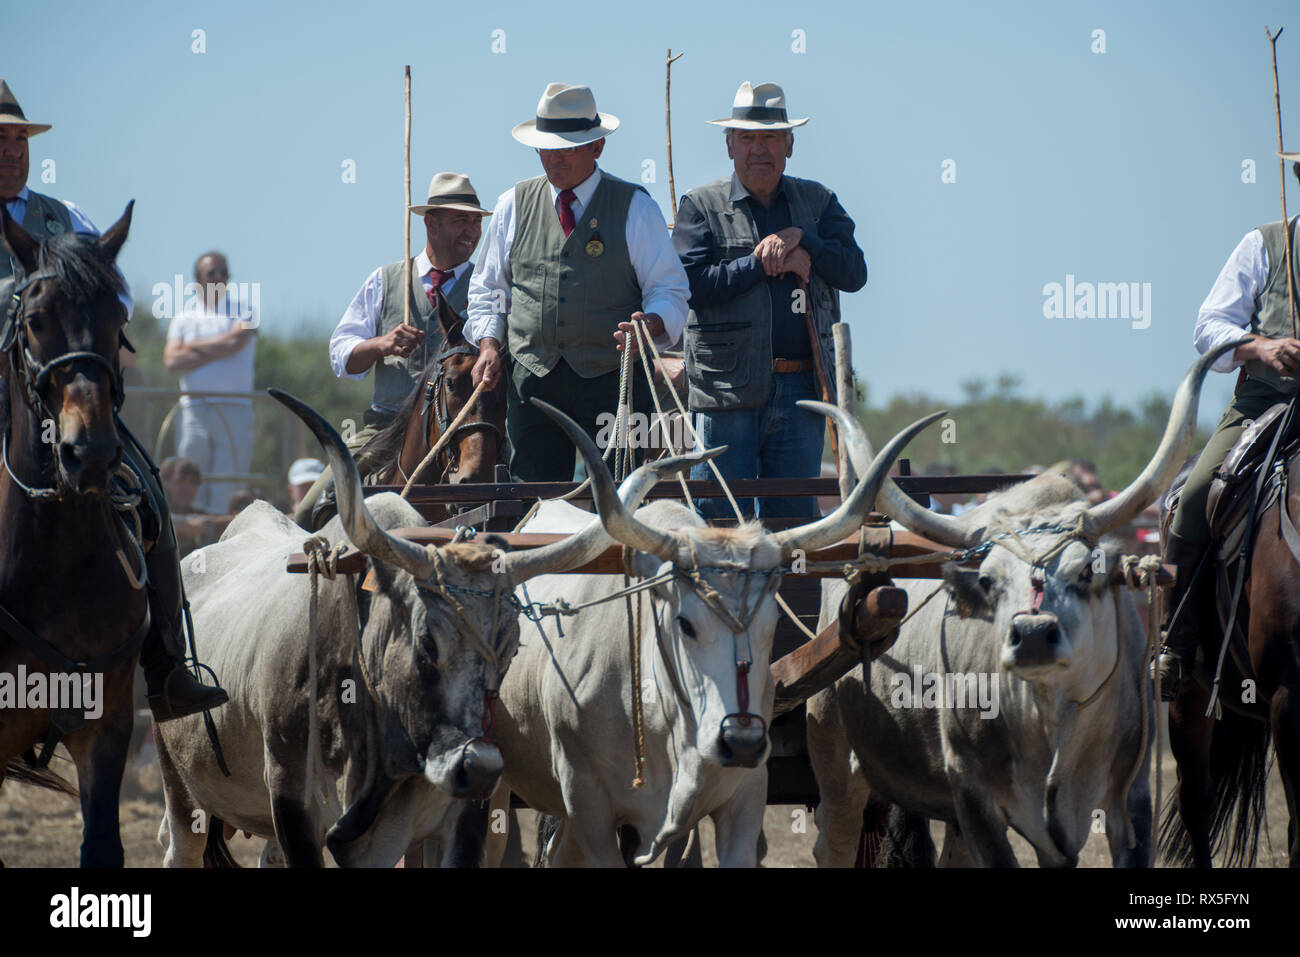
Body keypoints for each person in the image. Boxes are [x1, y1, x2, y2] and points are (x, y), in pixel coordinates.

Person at [0, 80, 225, 720]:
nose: (13, 151)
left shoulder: (65, 217)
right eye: (2, 140)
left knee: (148, 494)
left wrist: (80, 300)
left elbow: (119, 295)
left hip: (65, 397)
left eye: (19, 139)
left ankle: (167, 665)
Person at [466, 83, 690, 481]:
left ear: (597, 148)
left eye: (566, 147)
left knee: (621, 497)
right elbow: (488, 290)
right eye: (545, 148)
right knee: (533, 498)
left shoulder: (635, 207)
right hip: (532, 380)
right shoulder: (512, 205)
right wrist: (487, 344)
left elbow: (668, 289)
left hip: (614, 382)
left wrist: (651, 326)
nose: (553, 158)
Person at [672, 82, 866, 519]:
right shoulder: (700, 205)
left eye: (770, 137)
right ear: (729, 146)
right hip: (726, 392)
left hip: (803, 389)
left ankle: (791, 592)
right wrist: (763, 263)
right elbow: (691, 286)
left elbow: (855, 272)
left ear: (789, 145)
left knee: (793, 527)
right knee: (722, 527)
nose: (758, 149)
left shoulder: (819, 202)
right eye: (747, 138)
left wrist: (804, 240)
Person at [1155, 158, 1300, 698]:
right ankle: (1178, 639)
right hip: (1264, 402)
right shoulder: (1265, 243)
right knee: (1194, 495)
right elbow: (1209, 325)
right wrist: (1263, 346)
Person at [294, 173, 491, 526]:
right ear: (431, 223)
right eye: (461, 220)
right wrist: (381, 344)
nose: (472, 231)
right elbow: (342, 355)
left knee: (512, 498)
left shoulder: (485, 287)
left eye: (476, 221)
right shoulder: (386, 280)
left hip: (461, 430)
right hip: (385, 427)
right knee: (310, 510)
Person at [163, 250, 257, 514]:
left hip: (235, 409)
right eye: (211, 273)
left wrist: (191, 348)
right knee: (189, 480)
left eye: (223, 272)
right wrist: (222, 344)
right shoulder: (183, 318)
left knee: (229, 484)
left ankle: (219, 541)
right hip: (194, 410)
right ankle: (190, 545)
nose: (218, 277)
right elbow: (172, 361)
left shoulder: (246, 310)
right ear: (197, 280)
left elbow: (236, 343)